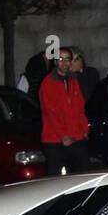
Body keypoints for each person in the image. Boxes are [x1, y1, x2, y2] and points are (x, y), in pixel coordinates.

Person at [38, 46, 89, 175]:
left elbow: (79, 107)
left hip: (76, 137)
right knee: (56, 179)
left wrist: (84, 130)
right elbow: (51, 113)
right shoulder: (48, 83)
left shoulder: (73, 80)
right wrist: (63, 136)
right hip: (55, 139)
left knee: (81, 175)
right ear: (55, 62)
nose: (64, 63)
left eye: (67, 59)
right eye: (60, 59)